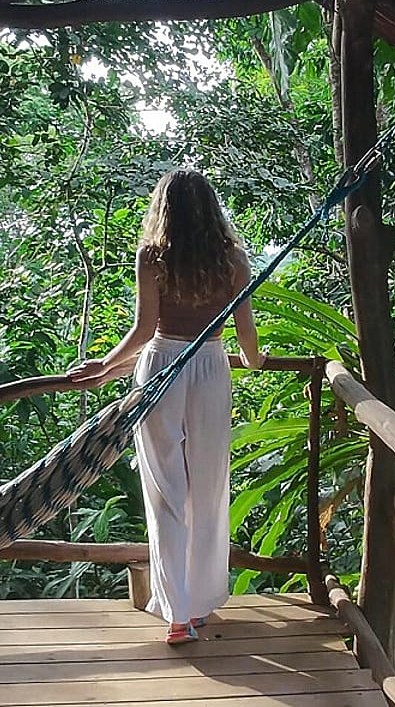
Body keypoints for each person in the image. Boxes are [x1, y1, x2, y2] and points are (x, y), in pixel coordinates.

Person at [67, 169, 263, 645]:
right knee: (208, 488)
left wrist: (104, 366)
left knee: (165, 491)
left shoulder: (153, 257)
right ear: (211, 208)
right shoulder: (233, 259)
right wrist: (256, 362)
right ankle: (199, 604)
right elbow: (246, 336)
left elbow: (143, 330)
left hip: (160, 368)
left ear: (164, 209)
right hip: (211, 367)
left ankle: (176, 613)